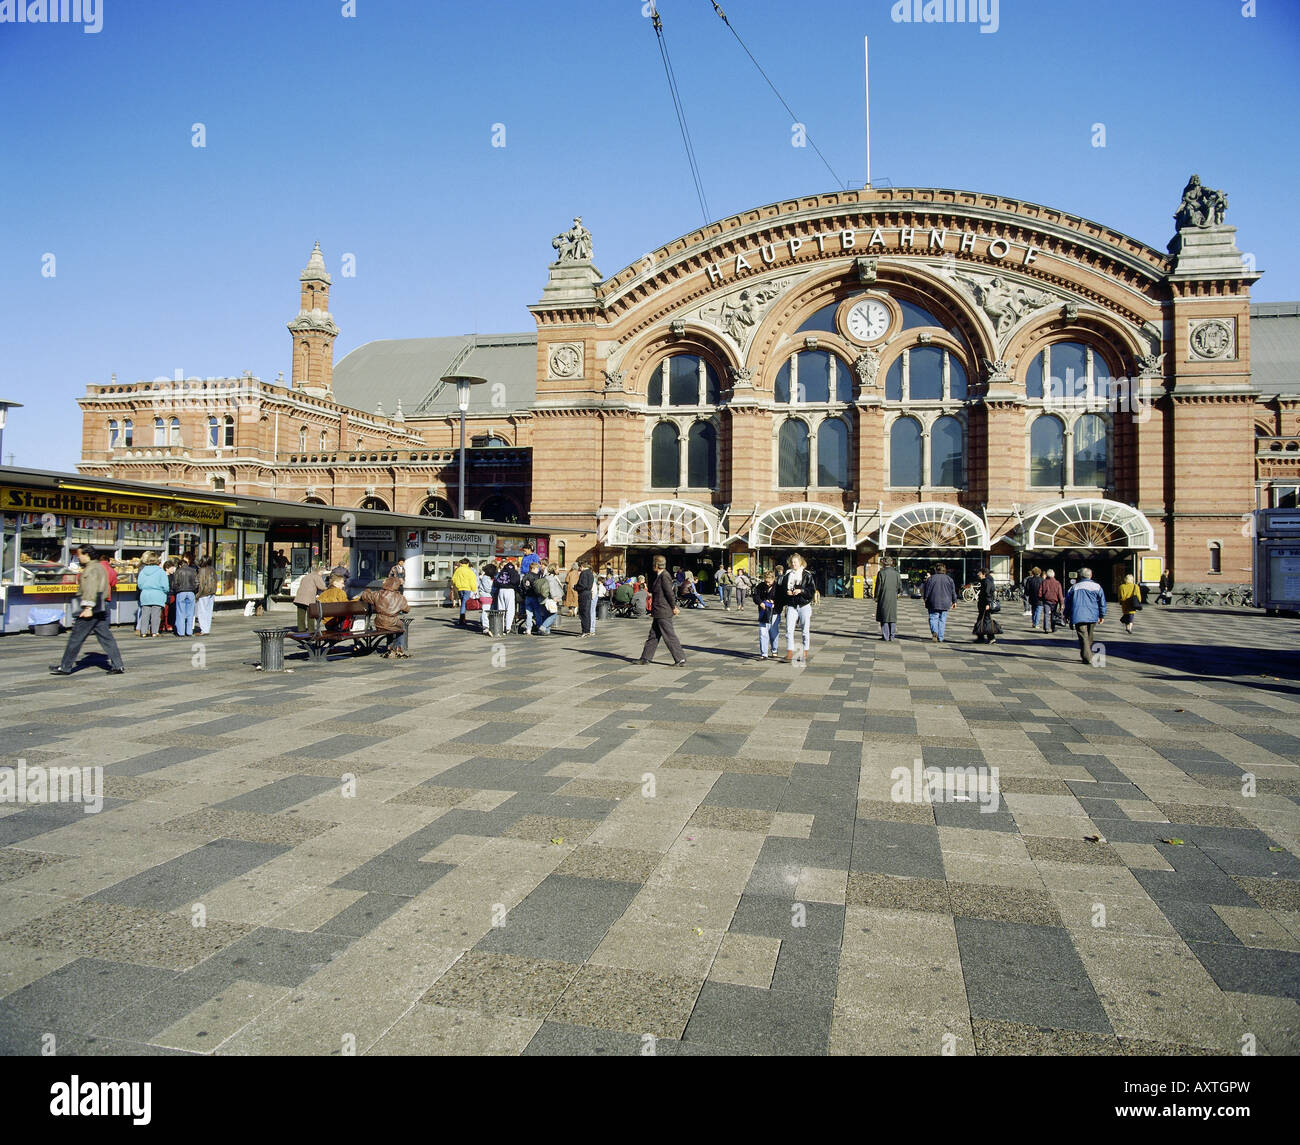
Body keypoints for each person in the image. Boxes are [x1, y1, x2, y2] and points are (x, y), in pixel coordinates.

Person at [50, 545, 125, 675]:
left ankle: (65, 666)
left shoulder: (91, 569)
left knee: (76, 638)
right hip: (100, 606)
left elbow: (91, 588)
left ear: (87, 554)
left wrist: (88, 607)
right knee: (106, 637)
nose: (78, 557)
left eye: (80, 554)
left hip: (90, 608)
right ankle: (118, 665)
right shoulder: (101, 567)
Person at [638, 554, 686, 666]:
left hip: (663, 610)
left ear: (656, 565)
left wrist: (674, 606)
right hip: (659, 610)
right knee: (653, 636)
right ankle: (645, 658)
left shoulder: (664, 576)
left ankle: (680, 659)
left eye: (653, 564)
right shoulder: (661, 575)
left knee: (669, 635)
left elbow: (669, 593)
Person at [358, 574, 411, 658]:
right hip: (393, 622)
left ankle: (390, 647)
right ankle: (398, 647)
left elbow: (365, 596)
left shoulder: (378, 594)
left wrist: (367, 590)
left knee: (390, 627)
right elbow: (407, 610)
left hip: (379, 623)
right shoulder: (400, 597)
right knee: (400, 627)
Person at [776, 553, 816, 662]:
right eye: (792, 562)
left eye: (796, 562)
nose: (794, 564)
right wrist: (787, 592)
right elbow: (781, 589)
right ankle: (789, 653)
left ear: (800, 562)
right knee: (789, 629)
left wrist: (802, 591)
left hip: (804, 605)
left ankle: (805, 652)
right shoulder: (788, 575)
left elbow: (812, 591)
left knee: (805, 630)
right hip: (791, 605)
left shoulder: (807, 575)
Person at [1066, 566, 1107, 664]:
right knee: (1089, 636)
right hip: (1093, 615)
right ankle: (1087, 655)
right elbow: (1102, 602)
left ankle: (1087, 656)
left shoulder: (1074, 587)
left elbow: (1068, 602)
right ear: (1090, 575)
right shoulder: (1097, 587)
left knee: (1083, 636)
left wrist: (1066, 614)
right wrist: (1102, 615)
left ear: (1080, 576)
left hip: (1078, 615)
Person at [922, 561, 958, 643]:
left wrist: (925, 599)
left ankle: (934, 632)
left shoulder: (931, 579)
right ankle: (941, 637)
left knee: (933, 617)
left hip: (933, 601)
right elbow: (953, 591)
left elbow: (927, 591)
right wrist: (954, 601)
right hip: (945, 602)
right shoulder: (949, 579)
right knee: (942, 620)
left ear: (936, 570)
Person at [136, 551, 169, 638]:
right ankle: (154, 632)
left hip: (145, 594)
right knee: (156, 615)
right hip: (157, 595)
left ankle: (143, 632)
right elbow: (165, 586)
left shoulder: (143, 571)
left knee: (145, 614)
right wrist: (165, 591)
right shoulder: (161, 572)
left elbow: (139, 584)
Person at [171, 551, 199, 637]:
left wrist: (177, 590)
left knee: (180, 613)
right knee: (190, 613)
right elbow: (197, 583)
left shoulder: (178, 571)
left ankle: (181, 632)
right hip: (191, 593)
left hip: (181, 593)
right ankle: (189, 631)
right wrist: (194, 590)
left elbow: (174, 584)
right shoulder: (193, 571)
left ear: (180, 565)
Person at [873, 554, 901, 641]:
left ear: (884, 563)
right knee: (892, 616)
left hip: (883, 596)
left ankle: (885, 636)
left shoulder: (881, 573)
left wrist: (876, 596)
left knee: (884, 616)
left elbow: (878, 586)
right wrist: (898, 593)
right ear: (891, 563)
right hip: (893, 597)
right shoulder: (896, 573)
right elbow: (899, 586)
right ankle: (892, 636)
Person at [754, 569, 780, 660]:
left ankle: (774, 650)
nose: (767, 583)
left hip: (774, 613)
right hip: (763, 612)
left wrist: (774, 603)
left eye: (769, 582)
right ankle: (764, 653)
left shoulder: (778, 586)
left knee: (773, 633)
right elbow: (756, 596)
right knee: (763, 633)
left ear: (773, 579)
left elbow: (782, 599)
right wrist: (761, 603)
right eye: (766, 581)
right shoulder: (760, 586)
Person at [294, 562, 328, 630]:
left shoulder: (307, 576)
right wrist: (328, 588)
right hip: (309, 598)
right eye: (322, 573)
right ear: (319, 572)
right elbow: (322, 587)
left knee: (301, 615)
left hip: (299, 597)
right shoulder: (317, 576)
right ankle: (311, 629)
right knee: (311, 614)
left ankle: (301, 629)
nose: (322, 575)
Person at [972, 567, 1000, 644]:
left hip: (985, 605)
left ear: (984, 574)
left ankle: (991, 637)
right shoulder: (985, 581)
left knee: (986, 621)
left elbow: (988, 594)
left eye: (980, 573)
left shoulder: (986, 582)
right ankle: (981, 637)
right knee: (982, 621)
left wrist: (988, 604)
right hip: (983, 604)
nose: (978, 574)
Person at [492, 557, 520, 633]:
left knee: (501, 609)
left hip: (501, 590)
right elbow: (516, 582)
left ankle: (500, 626)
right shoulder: (514, 572)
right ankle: (508, 627)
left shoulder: (502, 571)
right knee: (510, 609)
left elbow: (496, 582)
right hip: (510, 590)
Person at [452, 558, 478, 626]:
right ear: (467, 563)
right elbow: (473, 581)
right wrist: (474, 589)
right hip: (467, 589)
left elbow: (453, 579)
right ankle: (462, 619)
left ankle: (462, 618)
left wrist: (456, 585)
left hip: (460, 589)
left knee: (463, 602)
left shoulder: (458, 570)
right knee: (464, 603)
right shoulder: (470, 571)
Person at [195, 555, 217, 635]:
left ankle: (203, 630)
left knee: (202, 612)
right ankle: (206, 629)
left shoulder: (202, 570)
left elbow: (201, 584)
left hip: (204, 593)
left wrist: (197, 595)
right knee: (208, 612)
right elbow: (215, 580)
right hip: (212, 592)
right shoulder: (212, 569)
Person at [576, 560, 596, 637]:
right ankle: (587, 630)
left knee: (583, 613)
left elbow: (582, 585)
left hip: (583, 594)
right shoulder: (590, 573)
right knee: (587, 613)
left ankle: (585, 631)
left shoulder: (584, 573)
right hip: (588, 594)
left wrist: (575, 587)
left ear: (582, 566)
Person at [1024, 566, 1046, 631]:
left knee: (1033, 610)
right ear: (1039, 573)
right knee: (1038, 611)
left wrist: (1027, 594)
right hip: (1040, 598)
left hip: (1032, 597)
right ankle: (1036, 623)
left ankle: (1033, 622)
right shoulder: (1042, 580)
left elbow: (1027, 589)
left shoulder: (1029, 580)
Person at [478, 562, 497, 634]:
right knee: (485, 612)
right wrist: (495, 589)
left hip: (488, 597)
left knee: (487, 611)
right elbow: (488, 589)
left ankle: (484, 623)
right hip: (486, 596)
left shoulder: (488, 578)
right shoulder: (485, 578)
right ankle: (485, 627)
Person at [160, 559, 178, 633]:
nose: (173, 569)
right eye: (171, 568)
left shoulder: (173, 576)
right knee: (164, 612)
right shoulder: (163, 576)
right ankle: (164, 625)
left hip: (172, 595)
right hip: (165, 595)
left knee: (171, 612)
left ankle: (169, 625)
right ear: (167, 568)